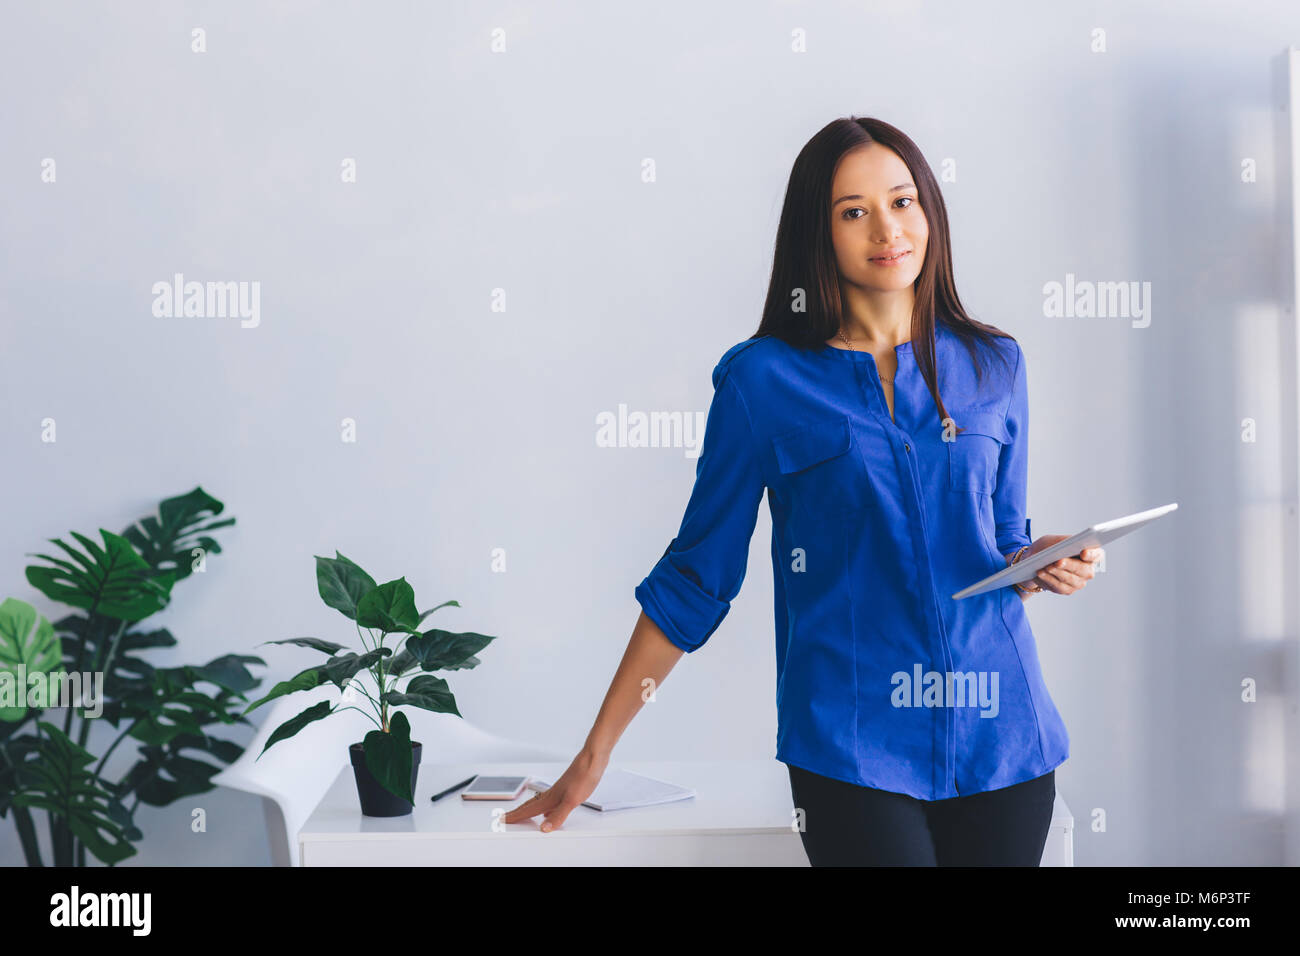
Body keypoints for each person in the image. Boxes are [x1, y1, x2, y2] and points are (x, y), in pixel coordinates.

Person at [503, 116, 1102, 866]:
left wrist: (1043, 559)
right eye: (854, 212)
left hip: (1004, 733)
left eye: (902, 201)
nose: (887, 228)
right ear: (818, 235)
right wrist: (593, 756)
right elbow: (695, 578)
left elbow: (1003, 540)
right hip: (852, 747)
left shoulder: (995, 364)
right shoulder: (763, 381)